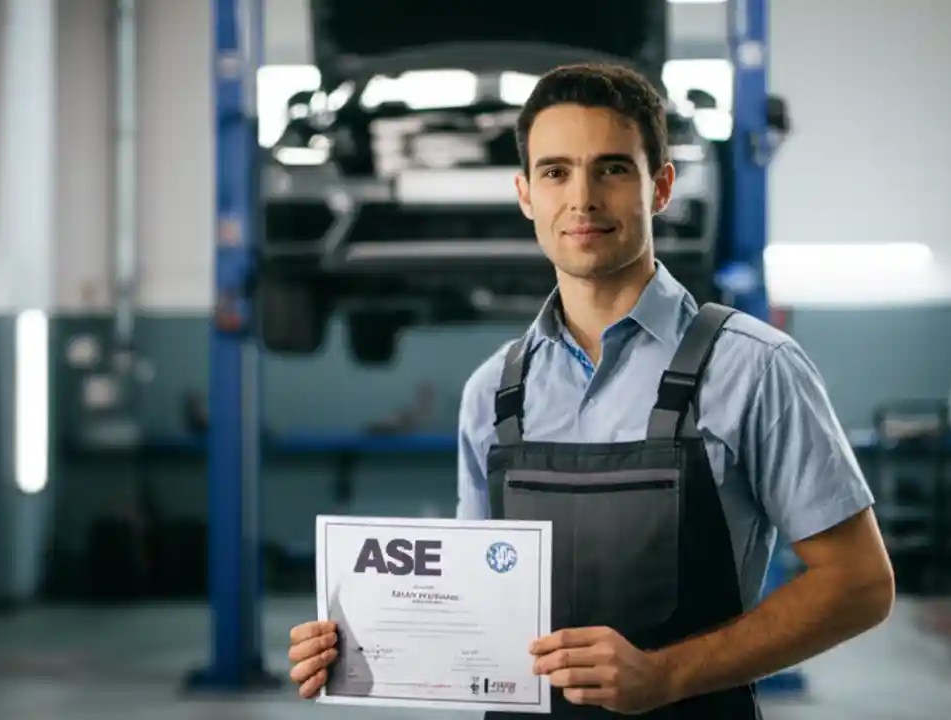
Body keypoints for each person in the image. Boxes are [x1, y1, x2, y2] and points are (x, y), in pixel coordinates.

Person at [286, 62, 895, 718]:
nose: (581, 198)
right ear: (525, 194)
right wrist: (358, 643)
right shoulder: (495, 390)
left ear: (660, 187)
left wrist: (665, 675)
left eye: (611, 168)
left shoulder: (754, 368)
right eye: (555, 172)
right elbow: (477, 604)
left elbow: (858, 582)